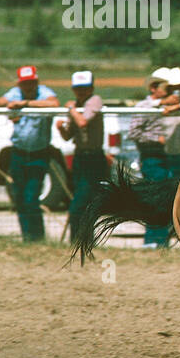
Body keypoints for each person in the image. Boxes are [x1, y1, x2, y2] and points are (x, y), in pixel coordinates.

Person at [0, 65, 58, 243]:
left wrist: (25, 104)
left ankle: (37, 237)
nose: (28, 87)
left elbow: (54, 104)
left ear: (37, 81)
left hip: (39, 155)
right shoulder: (14, 93)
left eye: (31, 83)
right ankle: (27, 237)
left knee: (31, 197)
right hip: (18, 154)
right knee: (19, 198)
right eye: (25, 84)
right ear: (19, 84)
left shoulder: (44, 93)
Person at [128, 67, 177, 248]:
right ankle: (152, 239)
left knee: (164, 197)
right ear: (154, 88)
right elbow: (134, 132)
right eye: (166, 87)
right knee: (155, 196)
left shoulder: (170, 105)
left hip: (168, 155)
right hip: (152, 156)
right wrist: (157, 139)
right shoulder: (143, 107)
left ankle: (160, 239)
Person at [56, 70, 107, 241]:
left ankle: (79, 239)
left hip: (94, 158)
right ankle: (81, 239)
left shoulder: (94, 101)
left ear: (92, 88)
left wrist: (71, 109)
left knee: (81, 201)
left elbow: (83, 121)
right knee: (80, 198)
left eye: (85, 88)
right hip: (80, 157)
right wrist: (61, 128)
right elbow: (67, 136)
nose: (81, 91)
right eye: (78, 88)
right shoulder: (75, 106)